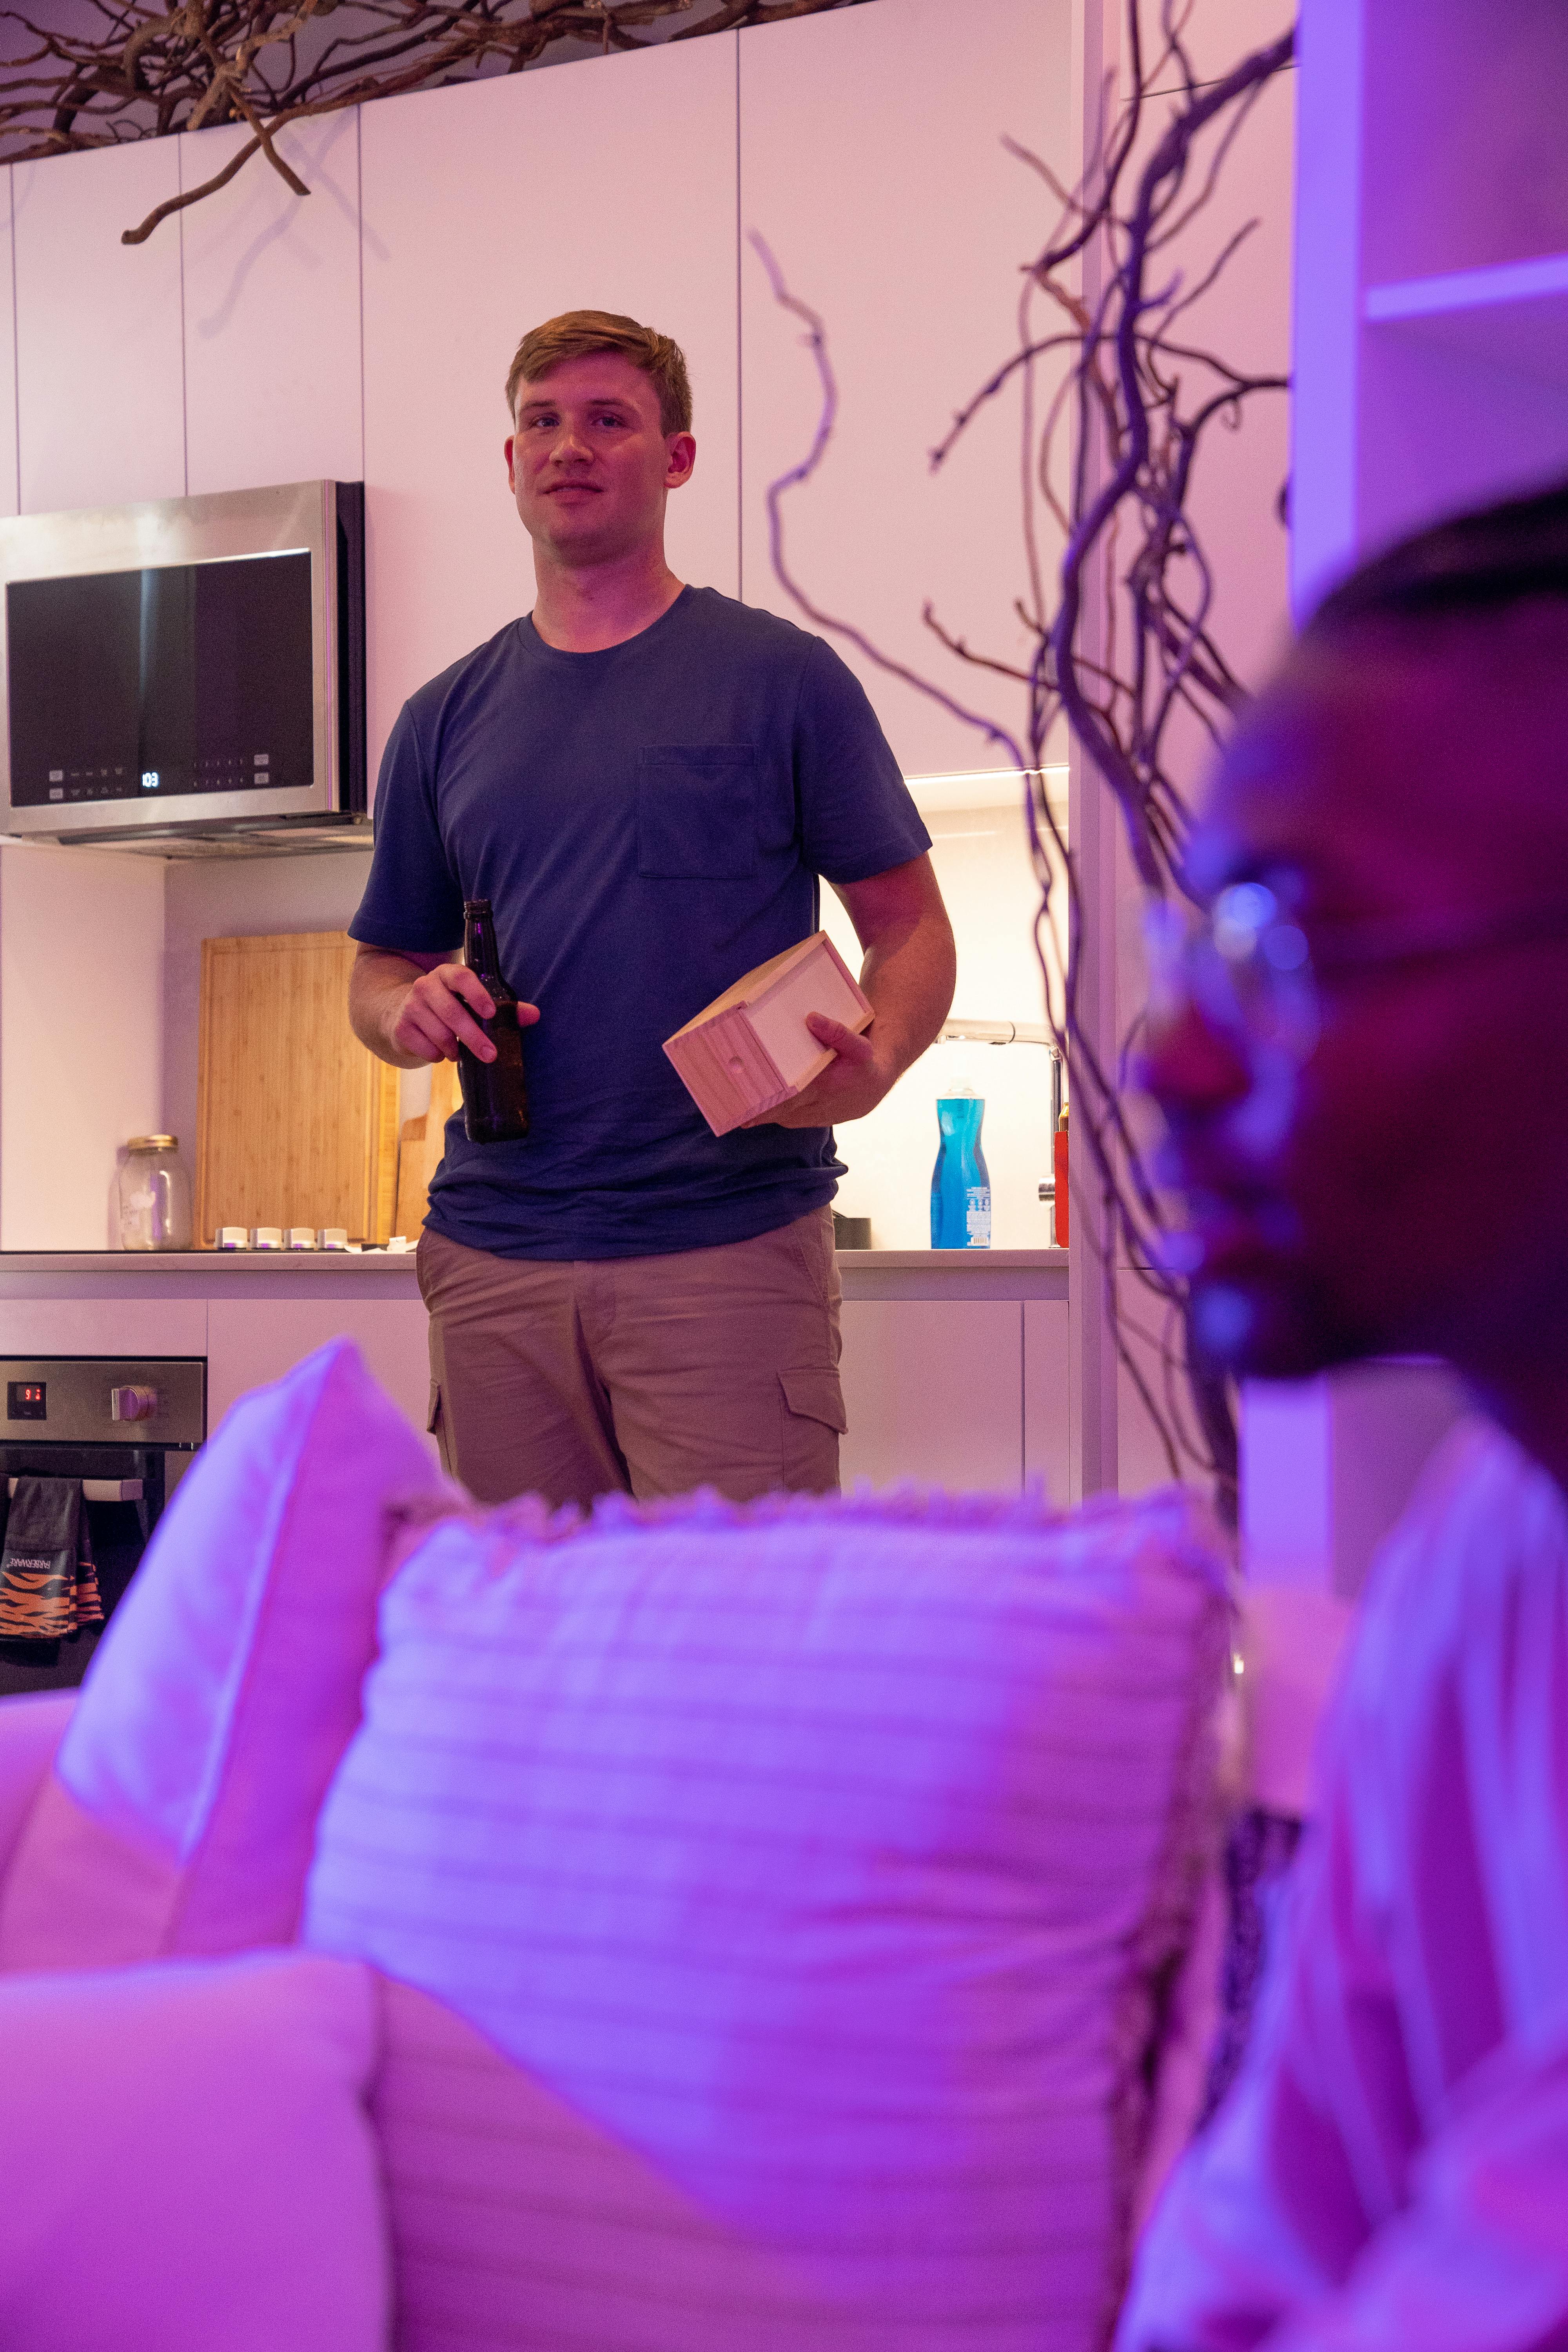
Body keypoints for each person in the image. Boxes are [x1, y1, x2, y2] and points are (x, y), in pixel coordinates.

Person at [1117, 479, 1568, 2348]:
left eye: (1284, 944)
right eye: (1194, 946)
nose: (1170, 1054)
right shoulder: (1492, 1547)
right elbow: (1279, 2225)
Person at [348, 310, 955, 1510]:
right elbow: (378, 970)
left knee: (735, 1654)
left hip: (725, 1251)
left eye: (608, 421)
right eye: (543, 422)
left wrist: (879, 1061)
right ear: (510, 460)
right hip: (494, 1261)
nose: (570, 445)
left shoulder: (781, 679)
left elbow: (909, 928)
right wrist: (399, 1011)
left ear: (675, 457)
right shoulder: (440, 718)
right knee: (534, 1662)